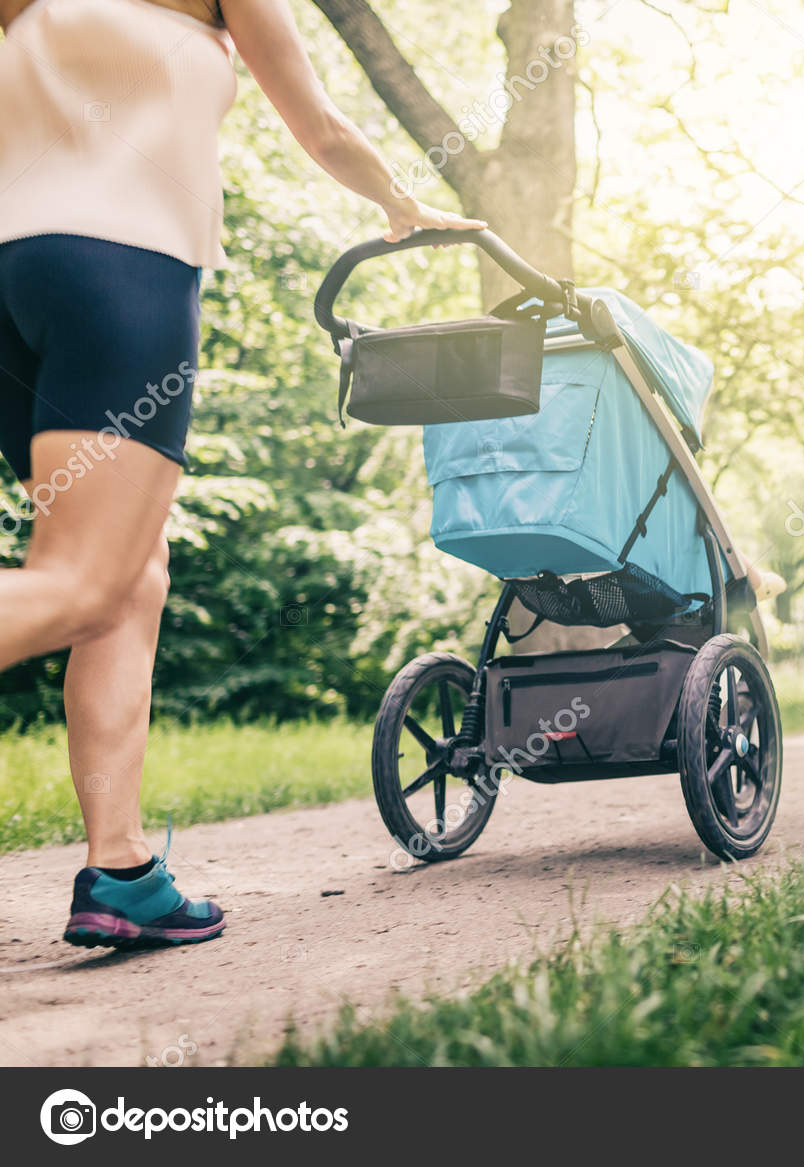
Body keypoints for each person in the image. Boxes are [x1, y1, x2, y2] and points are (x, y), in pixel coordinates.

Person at [0, 0, 485, 948]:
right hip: (120, 266)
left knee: (134, 570)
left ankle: (122, 869)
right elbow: (321, 126)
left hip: (12, 274)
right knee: (83, 581)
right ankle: (119, 862)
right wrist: (401, 203)